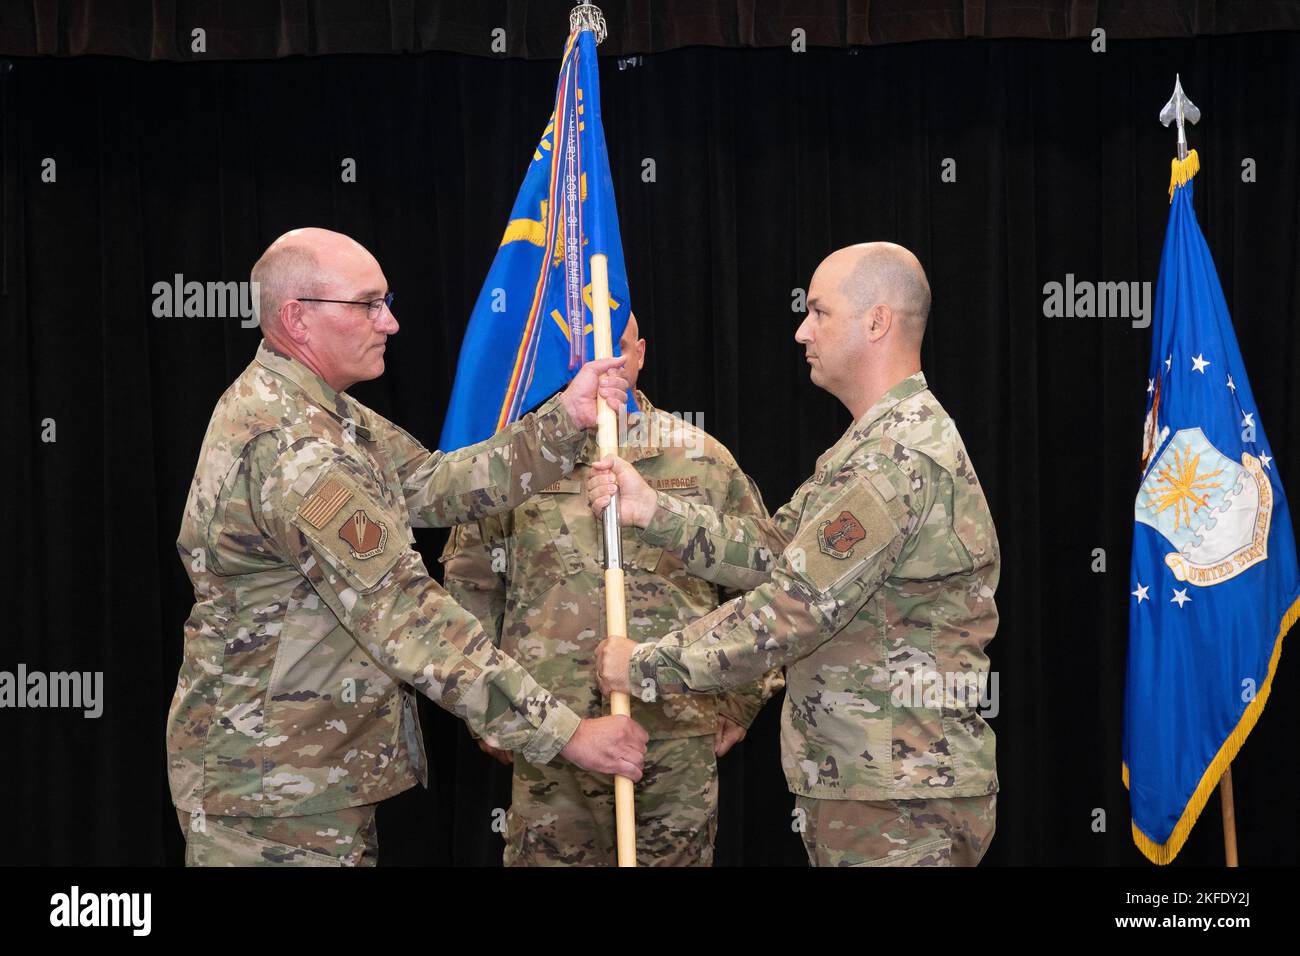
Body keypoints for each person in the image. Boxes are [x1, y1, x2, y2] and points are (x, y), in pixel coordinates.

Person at [166, 227, 648, 867]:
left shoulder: (327, 415)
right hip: (271, 792)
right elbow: (407, 613)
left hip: (304, 775)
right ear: (297, 319)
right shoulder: (294, 446)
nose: (389, 322)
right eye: (368, 304)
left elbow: (434, 483)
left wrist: (568, 421)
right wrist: (566, 734)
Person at [588, 242, 1000, 867]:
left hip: (899, 795)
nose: (801, 329)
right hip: (875, 782)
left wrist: (642, 665)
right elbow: (780, 553)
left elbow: (790, 609)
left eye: (818, 312)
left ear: (876, 321)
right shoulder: (871, 446)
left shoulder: (896, 458)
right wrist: (654, 512)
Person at [441, 312, 783, 866]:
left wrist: (743, 699)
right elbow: (470, 581)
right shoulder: (518, 460)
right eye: (583, 353)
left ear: (641, 354)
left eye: (616, 349)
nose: (602, 367)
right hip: (551, 727)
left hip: (673, 732)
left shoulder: (702, 459)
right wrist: (489, 710)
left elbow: (768, 580)